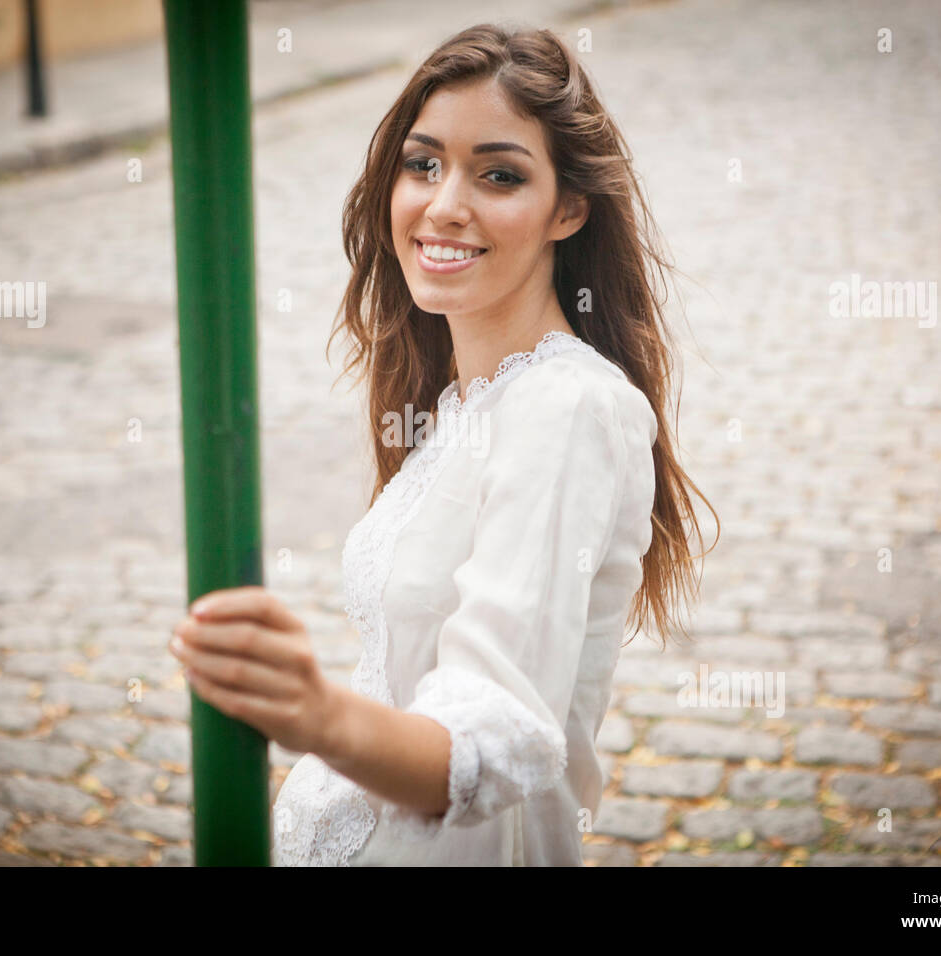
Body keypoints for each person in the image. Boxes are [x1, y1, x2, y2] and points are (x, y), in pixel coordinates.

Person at [169, 22, 712, 866]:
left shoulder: (570, 407)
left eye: (498, 175)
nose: (445, 202)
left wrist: (315, 714)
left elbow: (495, 737)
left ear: (569, 208)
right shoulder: (463, 401)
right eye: (423, 164)